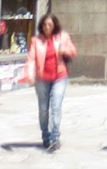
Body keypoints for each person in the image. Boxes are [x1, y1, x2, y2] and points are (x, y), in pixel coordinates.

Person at [26, 14, 76, 152]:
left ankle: (55, 137)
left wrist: (64, 50)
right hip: (42, 78)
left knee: (55, 107)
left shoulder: (63, 37)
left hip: (59, 76)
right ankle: (45, 135)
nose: (47, 27)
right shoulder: (36, 41)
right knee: (43, 109)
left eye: (50, 24)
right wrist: (30, 75)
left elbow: (73, 51)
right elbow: (31, 59)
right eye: (44, 25)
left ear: (54, 25)